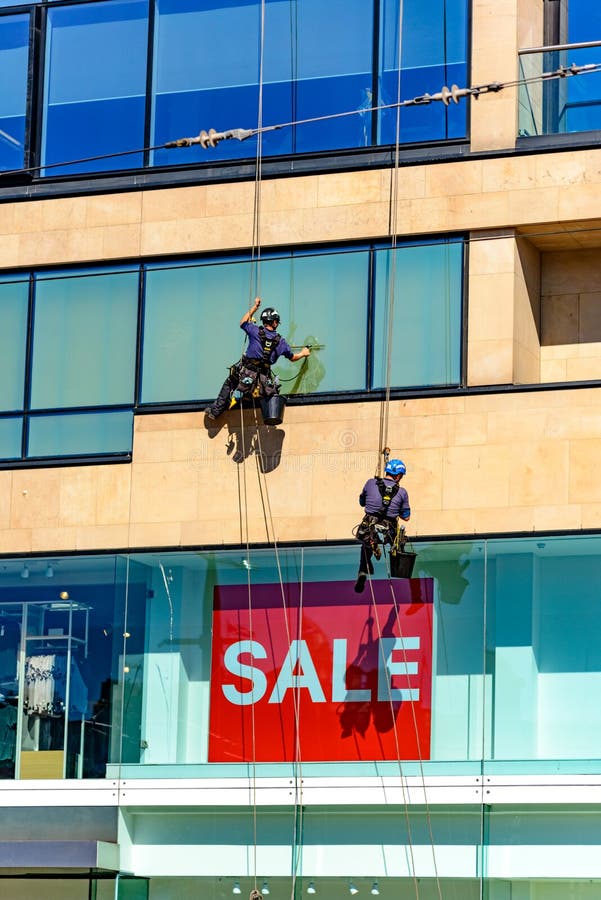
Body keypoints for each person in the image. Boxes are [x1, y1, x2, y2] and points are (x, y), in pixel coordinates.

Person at [205, 297, 311, 420]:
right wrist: (303, 353)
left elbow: (242, 322)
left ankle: (215, 412)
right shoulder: (281, 341)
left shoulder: (254, 331)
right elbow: (292, 358)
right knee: (271, 390)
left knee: (230, 383)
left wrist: (255, 307)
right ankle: (270, 415)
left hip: (246, 374)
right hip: (263, 380)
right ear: (275, 322)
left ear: (264, 321)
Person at [354, 458, 410, 593]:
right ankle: (398, 566)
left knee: (367, 543)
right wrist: (394, 509)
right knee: (398, 542)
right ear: (398, 475)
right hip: (388, 530)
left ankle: (363, 568)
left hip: (370, 526)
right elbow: (406, 517)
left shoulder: (370, 483)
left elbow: (362, 502)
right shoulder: (402, 492)